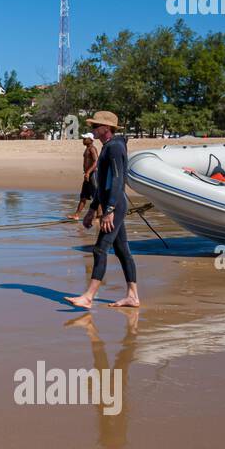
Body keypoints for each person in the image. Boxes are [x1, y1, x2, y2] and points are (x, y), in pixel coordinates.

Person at [66, 111, 140, 309]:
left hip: (115, 205)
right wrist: (91, 209)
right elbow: (102, 184)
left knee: (100, 249)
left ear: (106, 128)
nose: (92, 130)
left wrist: (109, 210)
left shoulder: (115, 148)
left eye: (95, 126)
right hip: (112, 203)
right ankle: (132, 296)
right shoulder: (109, 147)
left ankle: (89, 297)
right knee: (122, 250)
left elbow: (117, 180)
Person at [70, 132, 99, 219]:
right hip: (88, 175)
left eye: (85, 138)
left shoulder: (92, 149)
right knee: (83, 196)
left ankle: (99, 217)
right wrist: (87, 173)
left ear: (90, 140)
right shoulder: (87, 148)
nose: (83, 140)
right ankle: (76, 215)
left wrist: (88, 172)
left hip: (93, 175)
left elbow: (96, 162)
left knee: (96, 197)